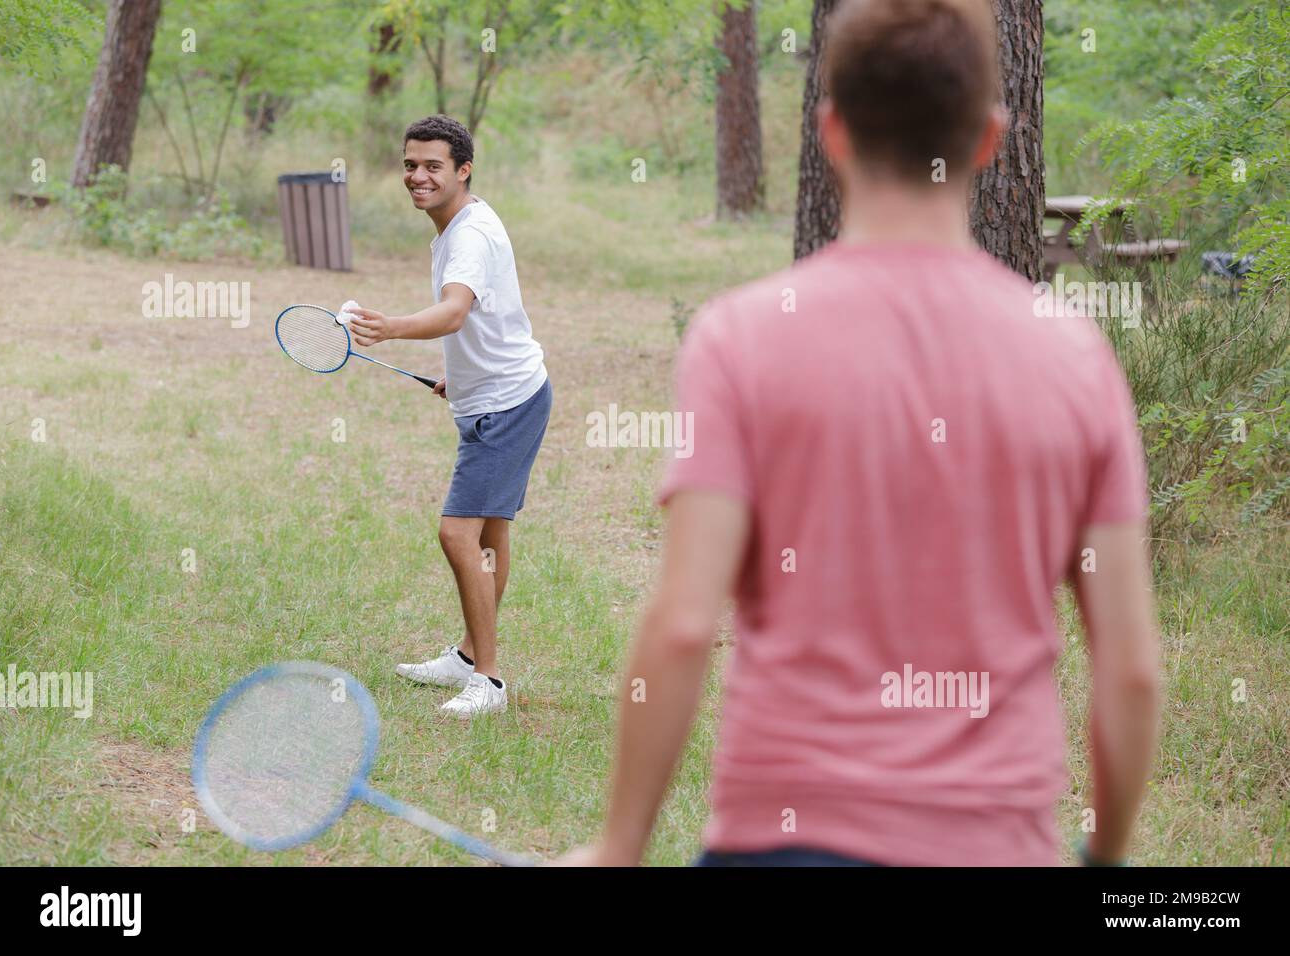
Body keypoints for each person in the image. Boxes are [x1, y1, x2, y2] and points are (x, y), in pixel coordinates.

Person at [560, 0, 1160, 865]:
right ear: (990, 139)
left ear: (831, 132)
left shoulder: (743, 337)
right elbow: (1131, 669)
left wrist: (618, 847)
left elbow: (685, 626)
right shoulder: (1076, 356)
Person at [349, 115, 551, 718]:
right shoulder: (457, 226)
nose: (418, 176)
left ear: (463, 169)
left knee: (456, 533)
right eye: (411, 164)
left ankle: (487, 681)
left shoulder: (469, 236)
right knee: (490, 535)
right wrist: (457, 376)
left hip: (507, 405)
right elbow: (485, 318)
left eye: (433, 166)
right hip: (498, 393)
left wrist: (390, 329)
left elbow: (455, 312)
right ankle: (468, 657)